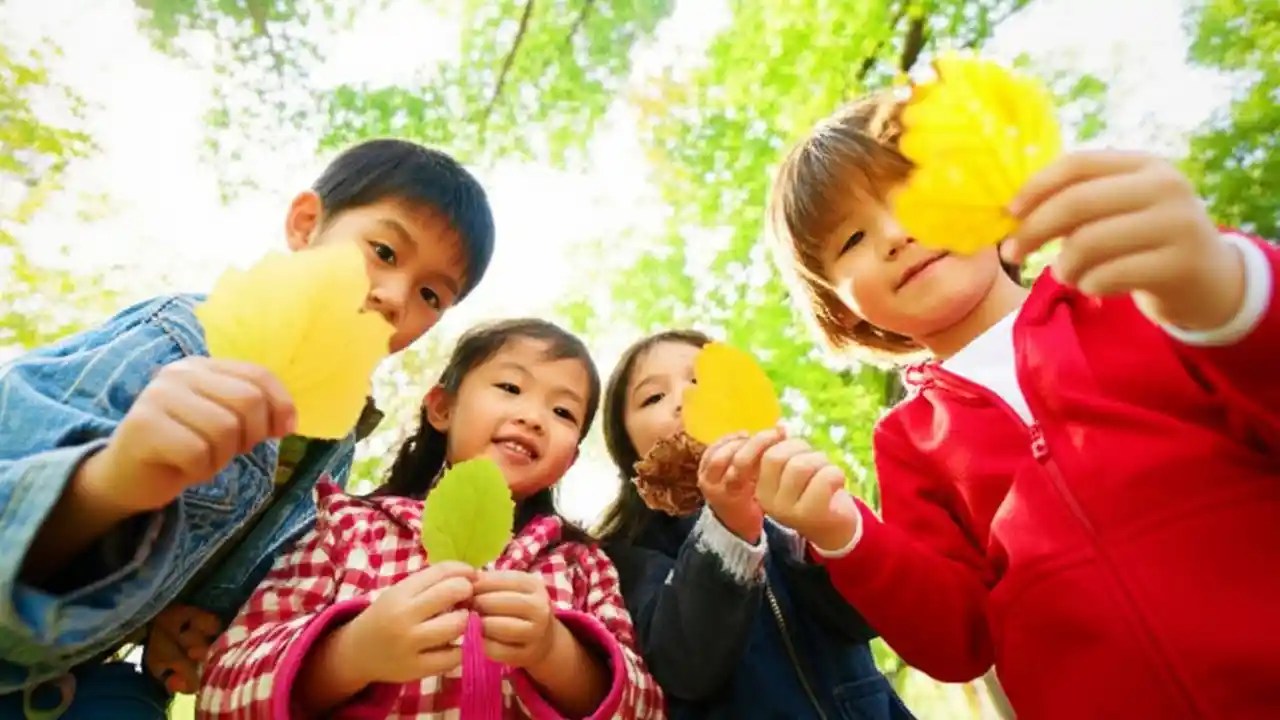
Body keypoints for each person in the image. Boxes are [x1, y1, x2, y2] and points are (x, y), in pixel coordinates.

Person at [752, 90, 1280, 717]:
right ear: (840, 307)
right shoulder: (907, 442)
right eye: (853, 239)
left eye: (917, 194)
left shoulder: (1144, 287)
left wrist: (1226, 291)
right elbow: (957, 641)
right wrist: (844, 533)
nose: (896, 234)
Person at [0, 139, 495, 718]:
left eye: (431, 295)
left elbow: (228, 574)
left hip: (83, 684)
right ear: (307, 224)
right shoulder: (178, 341)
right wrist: (111, 481)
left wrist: (178, 623)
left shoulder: (333, 446)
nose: (394, 297)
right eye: (384, 251)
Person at [198, 318, 664, 719]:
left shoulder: (582, 565)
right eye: (510, 387)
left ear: (568, 461)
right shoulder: (345, 528)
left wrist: (555, 652)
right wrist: (353, 651)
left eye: (563, 411)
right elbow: (220, 692)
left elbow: (646, 710)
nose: (533, 416)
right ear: (442, 407)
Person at [596, 329, 912, 719]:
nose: (685, 399)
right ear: (627, 449)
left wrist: (826, 533)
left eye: (701, 381)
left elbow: (871, 620)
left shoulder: (792, 508)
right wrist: (727, 530)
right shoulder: (625, 555)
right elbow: (686, 667)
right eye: (653, 397)